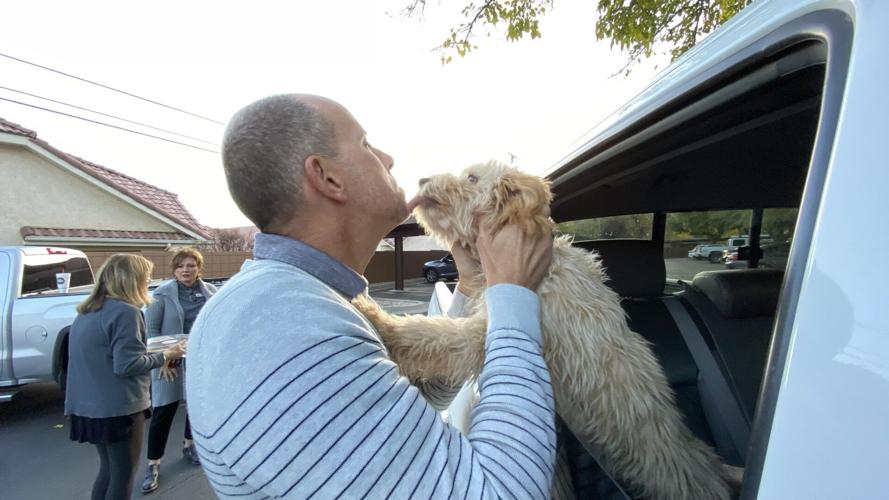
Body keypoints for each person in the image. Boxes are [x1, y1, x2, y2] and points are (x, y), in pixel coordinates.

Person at [186, 94, 555, 498]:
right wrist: (511, 294)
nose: (388, 158)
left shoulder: (295, 299)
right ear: (327, 177)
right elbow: (503, 493)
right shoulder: (282, 327)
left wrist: (467, 287)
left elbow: (410, 406)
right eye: (366, 144)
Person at [65, 254, 185, 500]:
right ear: (132, 279)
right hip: (118, 409)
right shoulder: (126, 312)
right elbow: (127, 365)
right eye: (146, 277)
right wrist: (166, 355)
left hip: (88, 407)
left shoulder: (87, 311)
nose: (148, 282)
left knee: (108, 471)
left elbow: (107, 356)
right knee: (123, 475)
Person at [140, 247, 217, 494]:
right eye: (181, 266)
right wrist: (163, 359)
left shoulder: (211, 292)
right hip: (168, 360)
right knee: (164, 409)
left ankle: (189, 444)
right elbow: (151, 331)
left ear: (199, 268)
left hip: (199, 359)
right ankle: (153, 464)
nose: (186, 270)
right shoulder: (161, 295)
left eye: (191, 265)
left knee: (194, 405)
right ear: (174, 270)